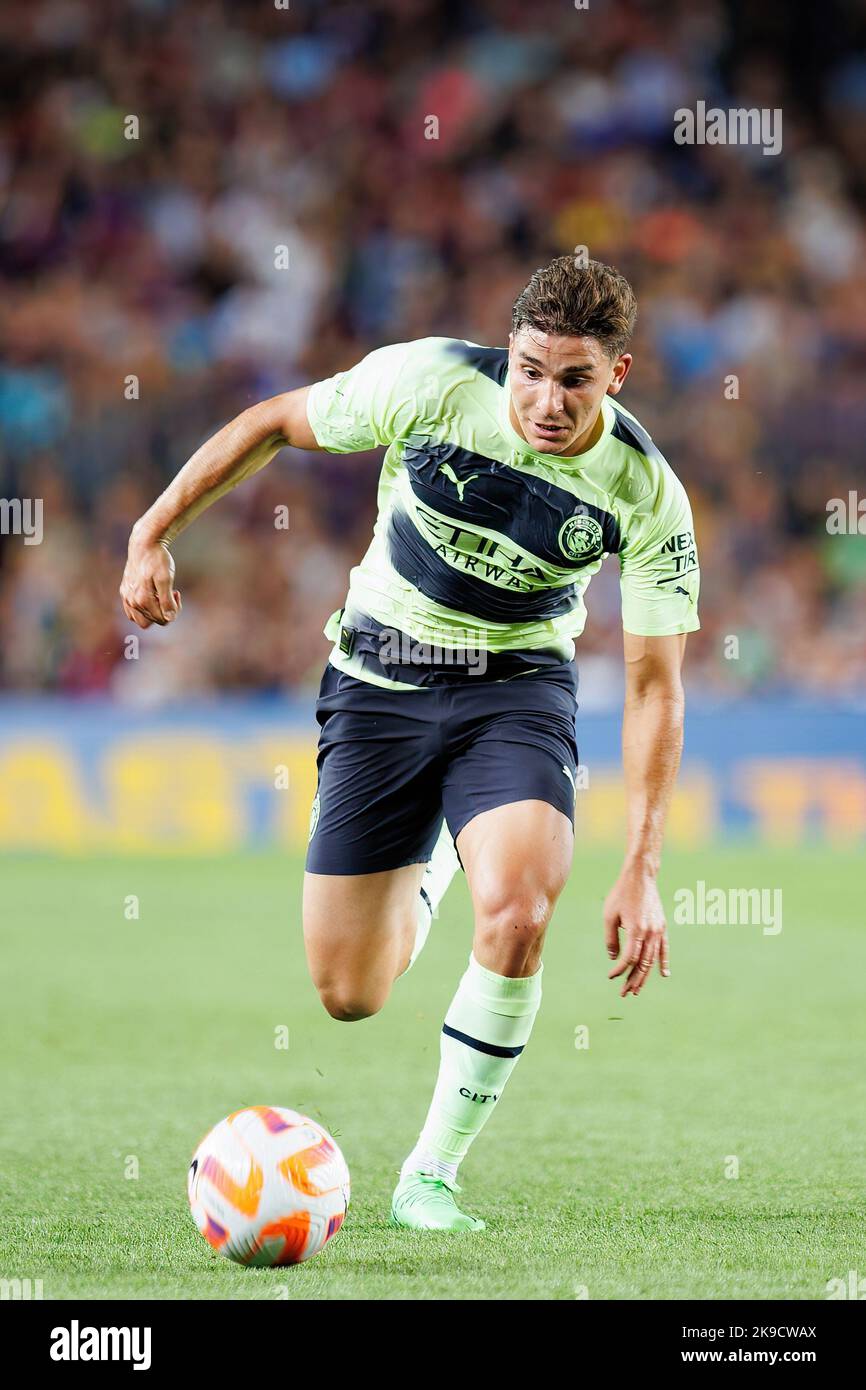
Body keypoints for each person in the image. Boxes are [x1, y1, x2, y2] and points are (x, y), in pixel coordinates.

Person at [120, 256, 700, 1233]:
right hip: (377, 679)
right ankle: (432, 846)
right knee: (349, 992)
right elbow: (272, 422)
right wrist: (150, 531)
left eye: (572, 380)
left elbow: (652, 686)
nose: (544, 399)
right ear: (505, 350)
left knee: (517, 909)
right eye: (527, 368)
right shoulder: (427, 381)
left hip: (514, 691)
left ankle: (429, 1173)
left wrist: (640, 864)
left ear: (617, 374)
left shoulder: (643, 491)